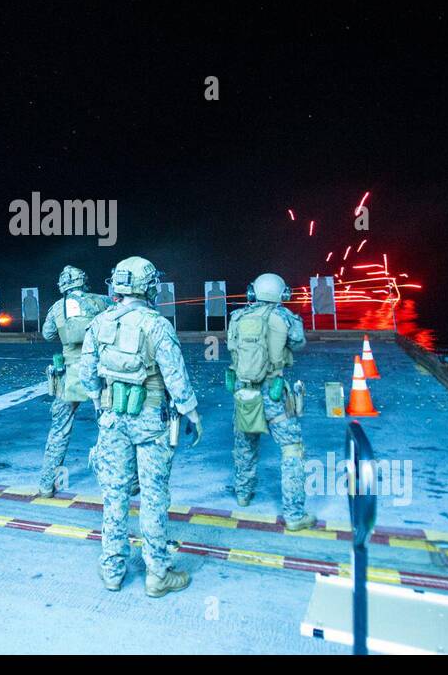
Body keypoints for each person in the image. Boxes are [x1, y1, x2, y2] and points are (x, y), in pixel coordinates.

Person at [77, 256, 202, 597]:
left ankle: (112, 570)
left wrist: (99, 401)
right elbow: (176, 378)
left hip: (112, 419)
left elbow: (87, 374)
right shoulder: (156, 324)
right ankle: (157, 574)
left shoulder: (99, 323)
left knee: (114, 494)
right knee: (153, 496)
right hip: (151, 422)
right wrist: (192, 414)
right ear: (148, 287)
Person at [225, 272, 315, 529]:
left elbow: (232, 347)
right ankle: (294, 515)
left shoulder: (237, 317)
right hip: (273, 391)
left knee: (245, 444)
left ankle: (243, 494)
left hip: (244, 391)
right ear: (281, 293)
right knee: (292, 448)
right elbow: (298, 343)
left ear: (253, 292)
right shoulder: (285, 317)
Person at [38, 265, 109, 496]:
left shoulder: (57, 307)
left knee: (59, 429)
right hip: (100, 373)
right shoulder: (101, 301)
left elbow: (47, 334)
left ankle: (47, 484)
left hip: (70, 375)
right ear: (83, 281)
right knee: (111, 427)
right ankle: (115, 482)